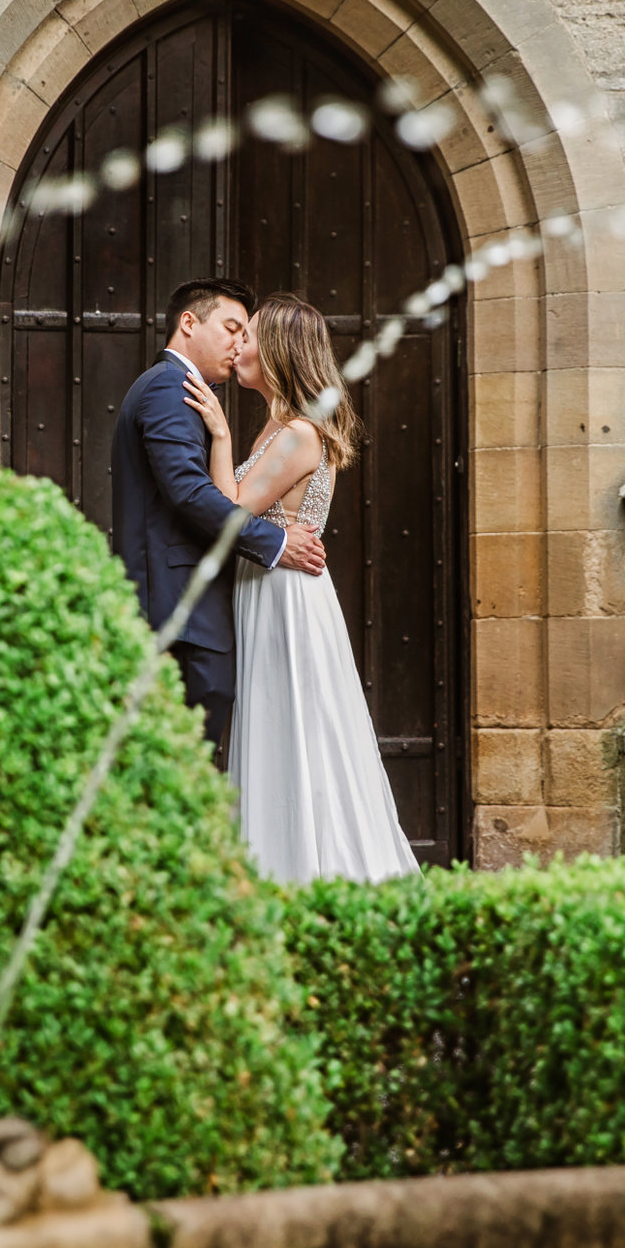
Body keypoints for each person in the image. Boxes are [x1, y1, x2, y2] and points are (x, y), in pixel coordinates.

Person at [182, 293, 419, 884]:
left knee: (298, 726)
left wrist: (218, 436)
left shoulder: (297, 434)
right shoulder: (277, 427)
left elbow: (232, 509)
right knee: (283, 725)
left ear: (280, 350)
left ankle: (309, 872)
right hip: (269, 586)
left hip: (284, 596)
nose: (239, 345)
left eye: (251, 334)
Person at [110, 278, 328, 768]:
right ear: (189, 323)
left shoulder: (187, 392)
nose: (239, 344)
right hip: (179, 615)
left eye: (244, 334)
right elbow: (191, 494)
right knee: (184, 765)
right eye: (232, 328)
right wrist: (274, 542)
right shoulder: (170, 388)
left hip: (200, 612)